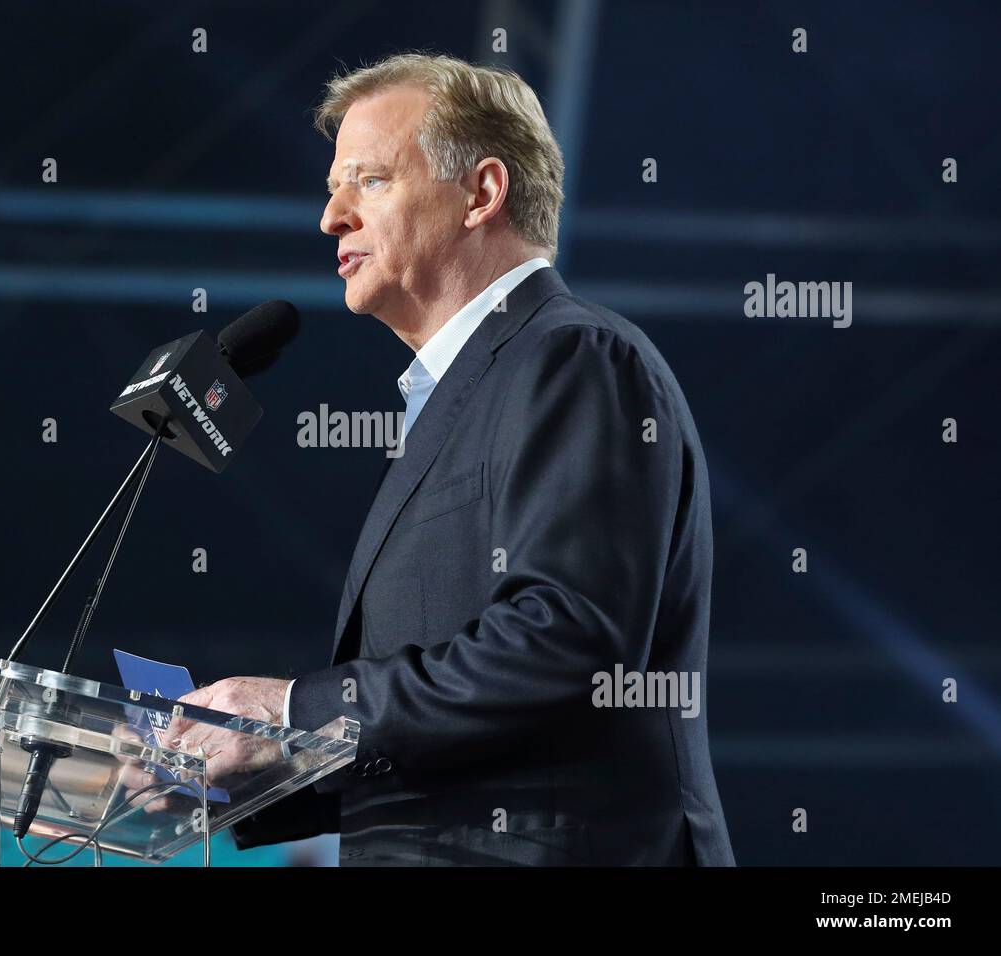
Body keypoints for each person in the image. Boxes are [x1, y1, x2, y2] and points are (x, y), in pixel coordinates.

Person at [167, 52, 735, 866]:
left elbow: (564, 645)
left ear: (483, 193)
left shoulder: (575, 357)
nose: (331, 218)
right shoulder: (472, 390)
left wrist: (295, 709)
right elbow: (441, 730)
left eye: (366, 180)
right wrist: (227, 769)